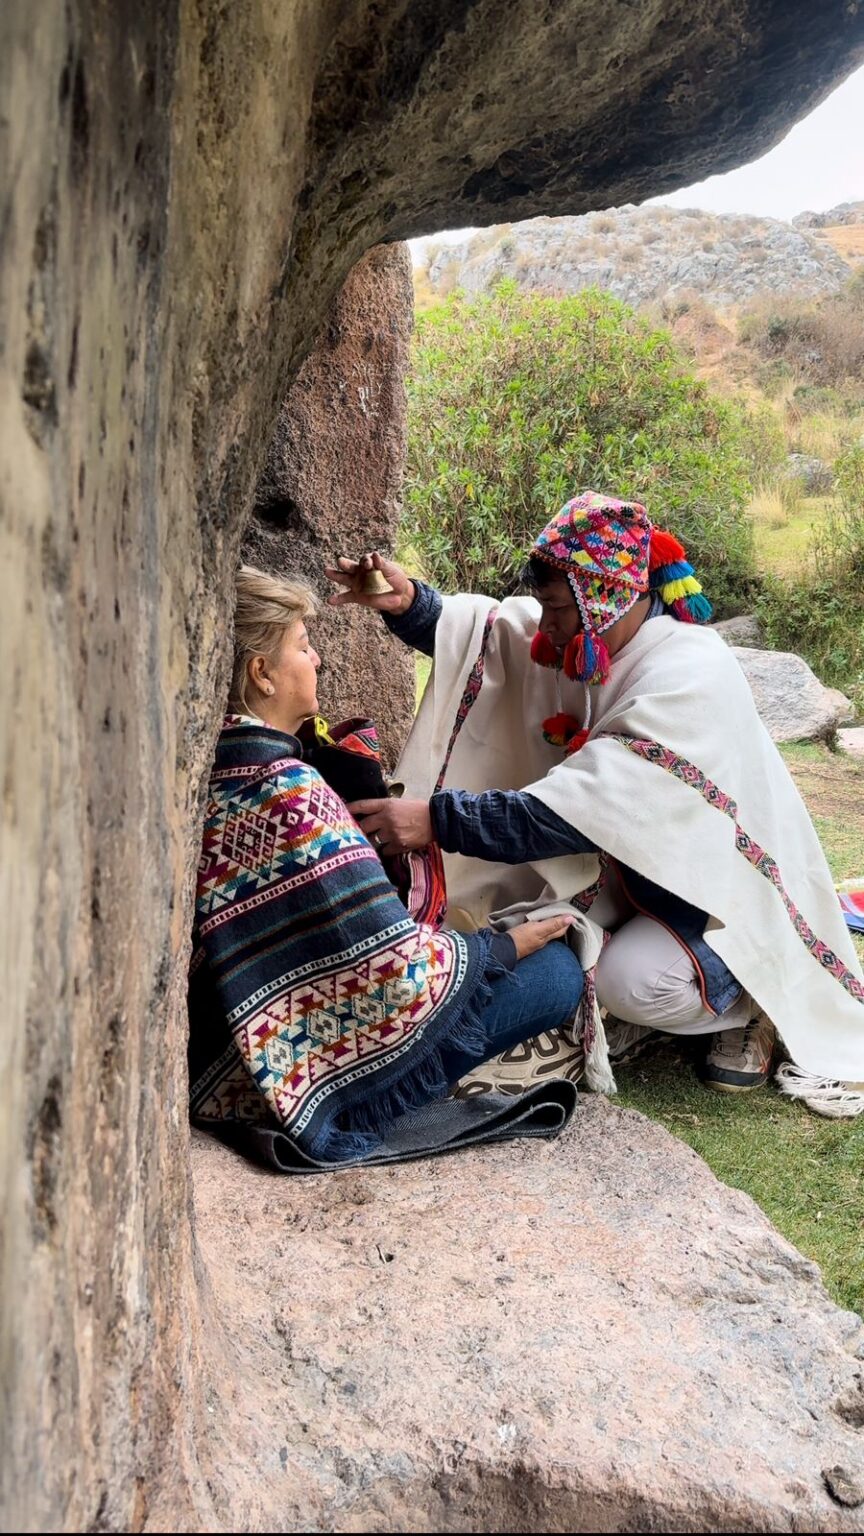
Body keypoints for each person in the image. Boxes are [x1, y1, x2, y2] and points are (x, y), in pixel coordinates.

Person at [326, 492, 864, 1116]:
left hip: (714, 904)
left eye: (559, 607)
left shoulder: (689, 671)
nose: (548, 624)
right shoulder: (589, 641)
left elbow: (565, 815)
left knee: (628, 982)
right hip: (632, 888)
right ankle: (690, 992)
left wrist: (435, 821)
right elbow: (497, 635)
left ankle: (754, 1003)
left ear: (603, 599)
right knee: (558, 950)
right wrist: (410, 604)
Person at [187, 565, 586, 1169]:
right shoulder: (289, 792)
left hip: (226, 1056)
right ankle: (363, 1098)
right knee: (558, 975)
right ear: (261, 674)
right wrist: (501, 949)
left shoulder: (219, 769)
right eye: (302, 645)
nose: (317, 659)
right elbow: (391, 977)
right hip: (288, 1089)